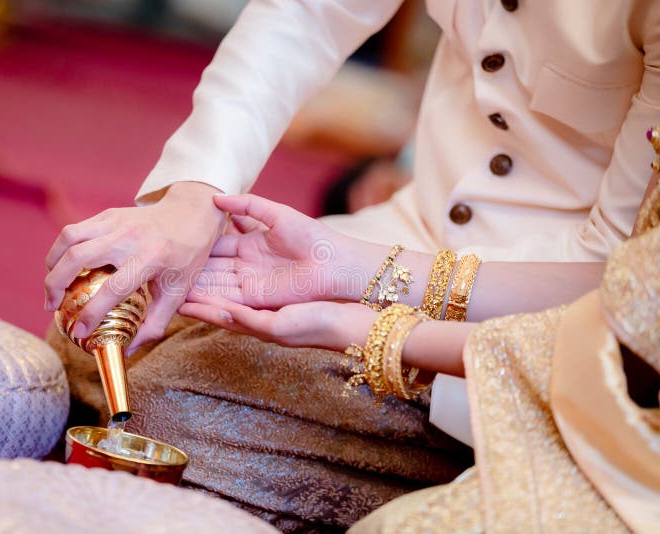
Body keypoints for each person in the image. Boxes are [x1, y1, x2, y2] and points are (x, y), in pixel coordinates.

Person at [44, 1, 660, 443]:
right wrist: (194, 199)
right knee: (95, 332)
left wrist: (362, 293)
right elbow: (305, 15)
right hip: (398, 230)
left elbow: (625, 285)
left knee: (175, 405)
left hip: (537, 325)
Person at [176, 130, 660, 533]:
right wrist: (349, 269)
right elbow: (623, 293)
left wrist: (373, 329)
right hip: (473, 287)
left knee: (176, 412)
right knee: (155, 341)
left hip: (611, 427)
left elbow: (617, 327)